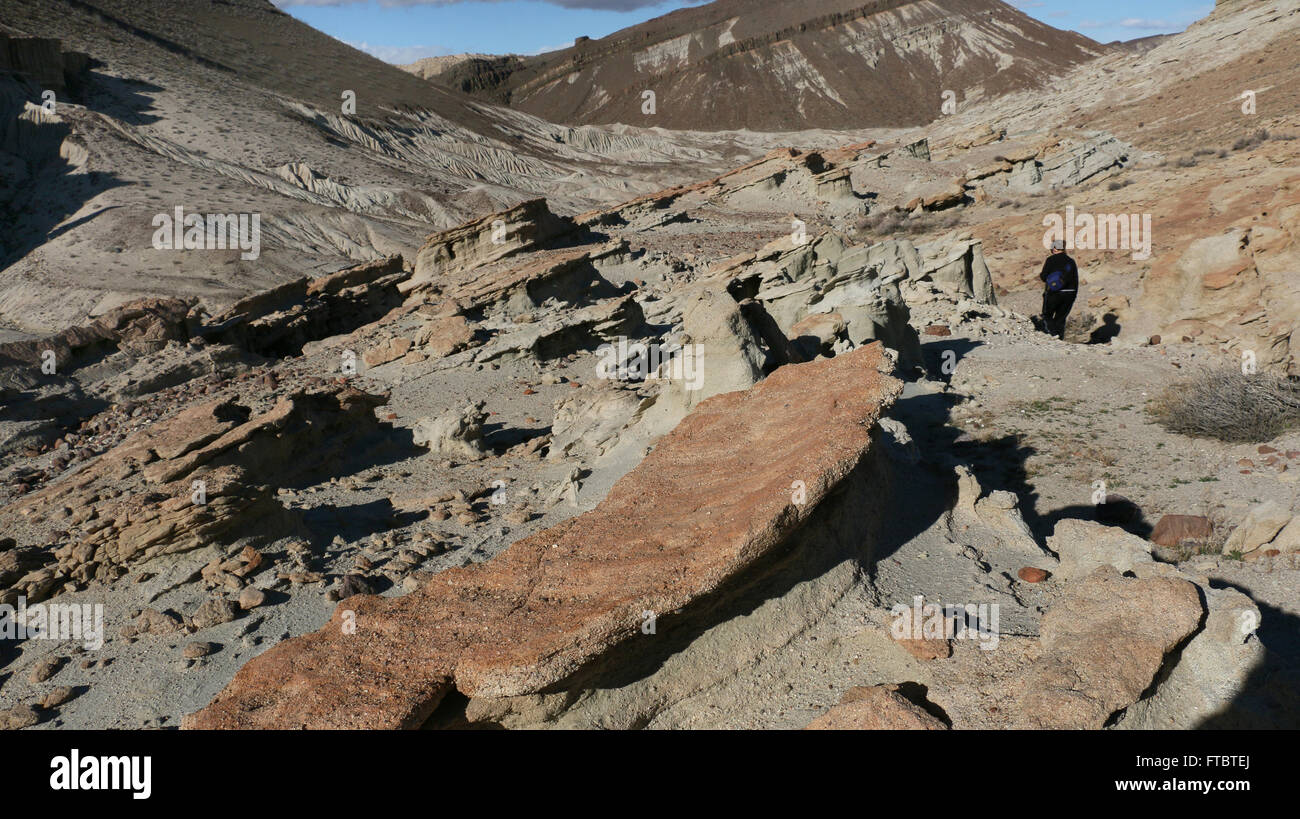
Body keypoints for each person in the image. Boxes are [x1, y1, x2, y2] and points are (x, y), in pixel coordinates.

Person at [1039, 239, 1078, 339]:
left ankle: (1053, 336)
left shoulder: (1051, 260)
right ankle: (1060, 338)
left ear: (1055, 249)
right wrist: (1073, 295)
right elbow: (1075, 279)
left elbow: (1043, 276)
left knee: (1047, 316)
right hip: (1070, 293)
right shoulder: (1071, 261)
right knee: (1061, 318)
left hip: (1054, 293)